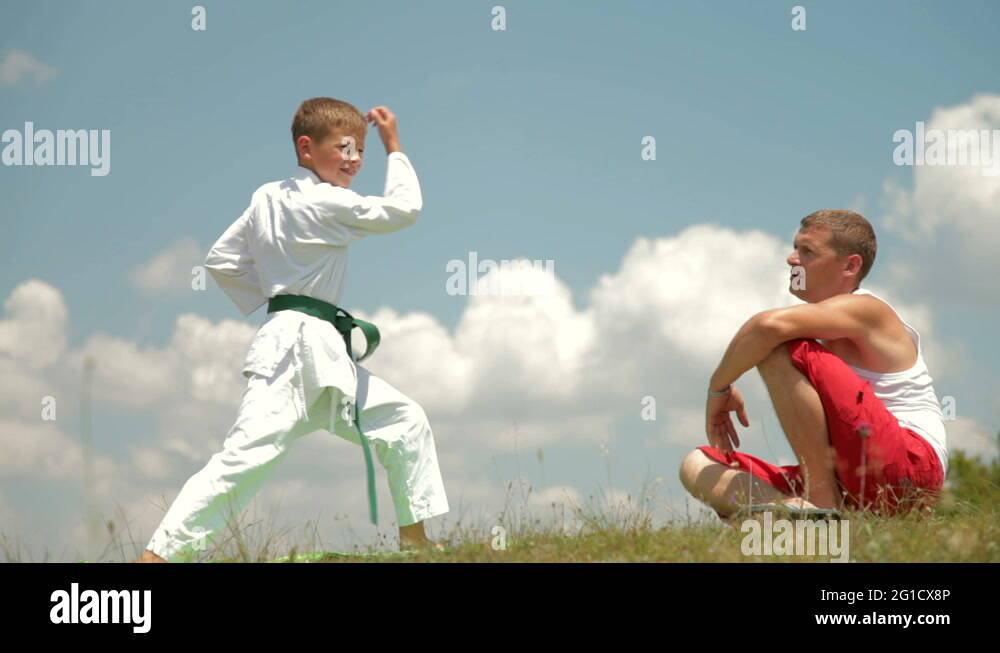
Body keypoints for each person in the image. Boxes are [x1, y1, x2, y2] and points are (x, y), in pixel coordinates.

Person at [136, 98, 448, 562]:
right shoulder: (326, 200)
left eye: (361, 149)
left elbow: (221, 260)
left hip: (308, 347)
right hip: (295, 350)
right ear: (306, 148)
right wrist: (393, 146)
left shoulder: (266, 196)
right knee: (244, 457)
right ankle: (154, 561)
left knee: (403, 421)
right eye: (344, 147)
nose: (355, 159)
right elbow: (404, 209)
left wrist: (281, 292)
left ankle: (416, 544)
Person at [679, 210, 947, 520]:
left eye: (807, 251)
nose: (792, 259)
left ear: (850, 265)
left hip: (907, 467)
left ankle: (822, 506)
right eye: (795, 247)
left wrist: (718, 389)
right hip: (848, 478)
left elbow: (767, 327)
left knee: (777, 345)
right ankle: (809, 519)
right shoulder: (825, 330)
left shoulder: (869, 309)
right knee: (697, 465)